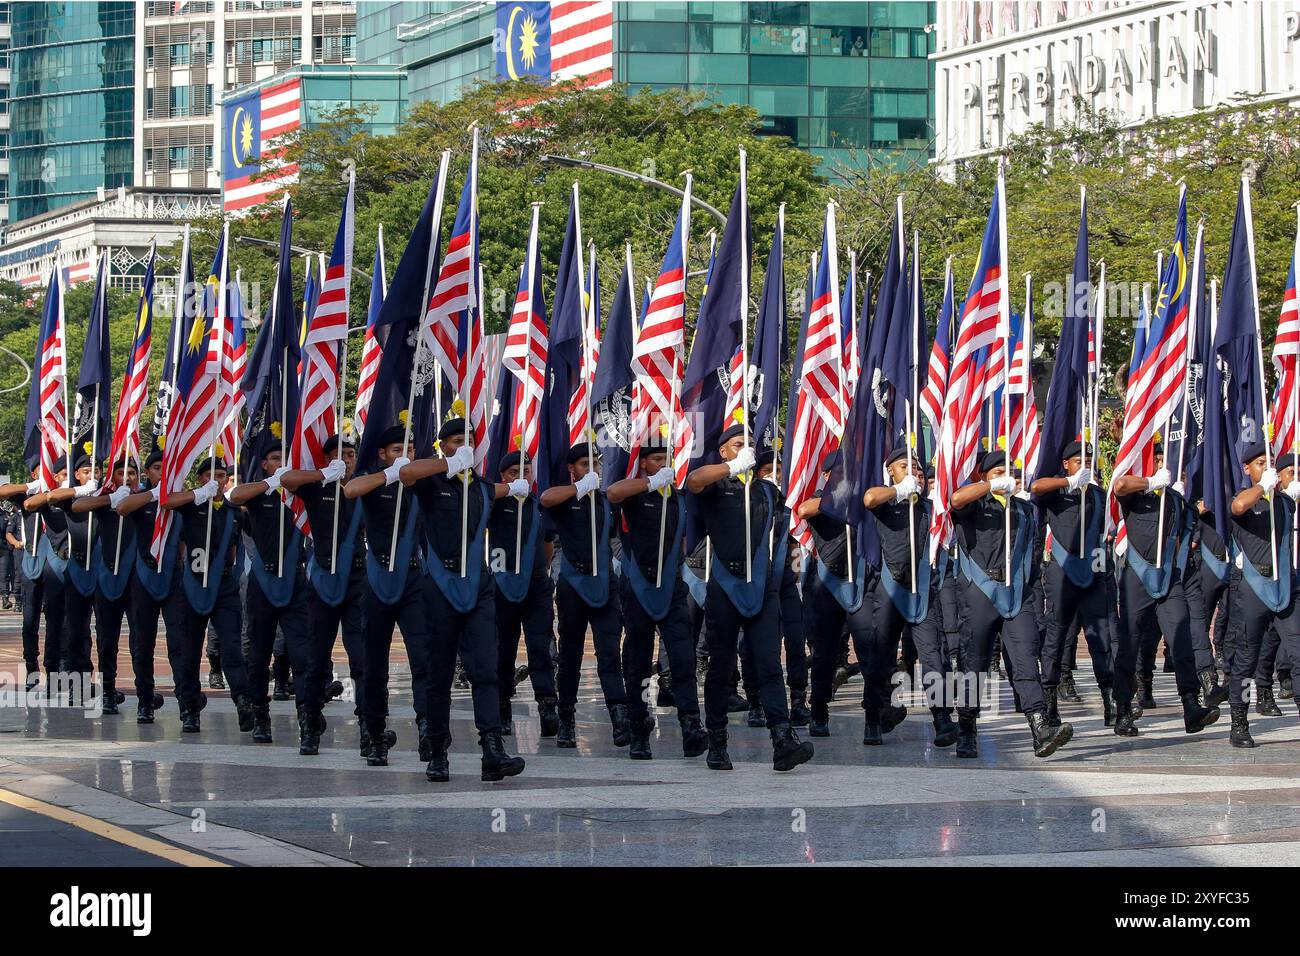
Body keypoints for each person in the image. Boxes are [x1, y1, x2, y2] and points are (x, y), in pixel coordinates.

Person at [397, 419, 524, 783]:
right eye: (456, 440)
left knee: (485, 668)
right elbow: (406, 473)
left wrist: (520, 485)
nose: (464, 445)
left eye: (468, 439)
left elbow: (506, 495)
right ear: (443, 446)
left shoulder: (481, 487)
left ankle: (491, 749)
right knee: (438, 674)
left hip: (478, 581)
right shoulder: (432, 480)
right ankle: (437, 750)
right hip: (438, 583)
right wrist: (447, 463)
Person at [686, 424, 814, 772]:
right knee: (722, 667)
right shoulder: (717, 485)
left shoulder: (767, 493)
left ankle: (783, 738)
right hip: (725, 584)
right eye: (738, 444)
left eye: (751, 444)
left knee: (770, 665)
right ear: (723, 451)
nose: (747, 448)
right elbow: (693, 481)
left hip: (761, 586)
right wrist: (732, 469)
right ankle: (717, 740)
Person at [949, 450, 1073, 757]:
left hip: (1017, 592)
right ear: (985, 476)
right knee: (973, 662)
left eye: (1010, 472)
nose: (1007, 477)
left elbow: (1031, 552)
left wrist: (1030, 588)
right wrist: (990, 487)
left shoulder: (1023, 509)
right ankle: (967, 727)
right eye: (998, 472)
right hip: (980, 590)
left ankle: (1039, 726)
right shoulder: (976, 503)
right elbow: (955, 500)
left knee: (1025, 657)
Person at [607, 440, 708, 760]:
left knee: (681, 657)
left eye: (667, 457)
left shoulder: (677, 499)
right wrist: (651, 482)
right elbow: (613, 493)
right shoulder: (635, 495)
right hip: (637, 585)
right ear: (644, 463)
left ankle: (691, 724)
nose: (663, 462)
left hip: (671, 586)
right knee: (637, 661)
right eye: (656, 458)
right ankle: (639, 729)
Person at [1111, 443, 1220, 737]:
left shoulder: (1176, 499)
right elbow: (1119, 484)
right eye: (1155, 458)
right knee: (1129, 643)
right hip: (1137, 577)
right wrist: (1151, 482)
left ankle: (1190, 706)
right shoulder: (1136, 495)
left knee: (1182, 639)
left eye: (1164, 460)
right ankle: (1123, 709)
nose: (1160, 463)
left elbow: (1189, 534)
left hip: (1169, 578)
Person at [862, 448, 960, 747]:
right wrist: (898, 489)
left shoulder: (929, 508)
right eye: (905, 466)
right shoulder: (886, 501)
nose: (914, 472)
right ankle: (874, 718)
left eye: (917, 468)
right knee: (881, 656)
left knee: (933, 656)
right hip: (890, 587)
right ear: (891, 470)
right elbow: (868, 499)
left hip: (921, 590)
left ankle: (942, 718)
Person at [281, 432, 368, 756]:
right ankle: (310, 723)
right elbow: (286, 479)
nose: (346, 459)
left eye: (350, 454)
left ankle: (368, 727)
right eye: (339, 454)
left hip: (358, 577)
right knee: (316, 659)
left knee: (362, 658)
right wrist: (323, 474)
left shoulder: (362, 487)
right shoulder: (318, 487)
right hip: (322, 578)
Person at [539, 442, 628, 749]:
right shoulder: (566, 499)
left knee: (608, 653)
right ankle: (566, 719)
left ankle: (619, 715)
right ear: (572, 469)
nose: (593, 469)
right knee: (570, 656)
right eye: (584, 465)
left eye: (596, 465)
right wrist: (578, 489)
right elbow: (546, 499)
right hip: (573, 582)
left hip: (603, 580)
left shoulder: (605, 501)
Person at [161, 455, 253, 734]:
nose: (218, 480)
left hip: (224, 588)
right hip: (192, 587)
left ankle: (243, 701)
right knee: (188, 652)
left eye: (223, 475)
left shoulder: (234, 511)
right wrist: (198, 494)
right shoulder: (190, 506)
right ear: (201, 478)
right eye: (211, 475)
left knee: (232, 648)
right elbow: (167, 501)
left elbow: (239, 544)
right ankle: (189, 709)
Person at [227, 444, 312, 744]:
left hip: (295, 580)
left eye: (285, 459)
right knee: (258, 654)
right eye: (275, 459)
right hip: (261, 584)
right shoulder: (256, 494)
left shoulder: (300, 494)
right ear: (263, 463)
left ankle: (306, 716)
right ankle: (260, 714)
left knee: (302, 653)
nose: (281, 463)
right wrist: (270, 483)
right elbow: (233, 496)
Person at [795, 448, 880, 741]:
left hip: (860, 582)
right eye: (840, 473)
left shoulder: (860, 499)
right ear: (828, 475)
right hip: (828, 585)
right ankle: (818, 711)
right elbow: (803, 510)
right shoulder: (822, 498)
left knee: (870, 650)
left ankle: (874, 717)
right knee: (824, 655)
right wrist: (837, 496)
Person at [1030, 440, 1116, 726]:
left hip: (1093, 568)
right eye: (1079, 461)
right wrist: (1068, 481)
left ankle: (1111, 701)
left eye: (1089, 461)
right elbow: (1036, 488)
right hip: (1062, 571)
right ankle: (1051, 703)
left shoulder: (1099, 495)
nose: (1085, 465)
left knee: (1100, 635)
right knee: (1056, 637)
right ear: (1066, 464)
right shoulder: (1057, 492)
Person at [1225, 445, 1300, 747]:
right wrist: (1263, 485)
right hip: (1253, 588)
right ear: (1248, 469)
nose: (1265, 468)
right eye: (1259, 464)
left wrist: (1285, 490)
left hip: (1285, 585)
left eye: (1269, 464)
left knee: (1297, 651)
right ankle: (1239, 722)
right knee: (1246, 660)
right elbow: (1238, 507)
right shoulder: (1246, 497)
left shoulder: (1284, 503)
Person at [487, 450, 559, 739]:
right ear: (503, 476)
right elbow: (477, 494)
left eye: (526, 471)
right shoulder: (495, 502)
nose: (522, 476)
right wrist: (507, 489)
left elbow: (548, 543)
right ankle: (502, 705)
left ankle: (547, 705)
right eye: (514, 472)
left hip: (536, 585)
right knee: (503, 650)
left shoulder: (537, 504)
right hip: (503, 583)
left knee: (540, 646)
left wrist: (540, 570)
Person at [72, 457, 142, 716]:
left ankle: (144, 696)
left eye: (132, 473)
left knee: (140, 641)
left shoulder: (145, 497)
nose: (127, 477)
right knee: (106, 640)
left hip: (137, 579)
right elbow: (79, 506)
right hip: (108, 576)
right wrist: (109, 499)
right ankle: (109, 692)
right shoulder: (106, 498)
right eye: (121, 472)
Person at [113, 451, 179, 722]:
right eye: (156, 468)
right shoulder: (142, 500)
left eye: (167, 467)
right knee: (143, 644)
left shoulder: (183, 499)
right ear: (148, 473)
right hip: (144, 577)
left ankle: (187, 704)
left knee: (179, 644)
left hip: (174, 578)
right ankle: (144, 701)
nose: (161, 472)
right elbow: (122, 508)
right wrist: (155, 494)